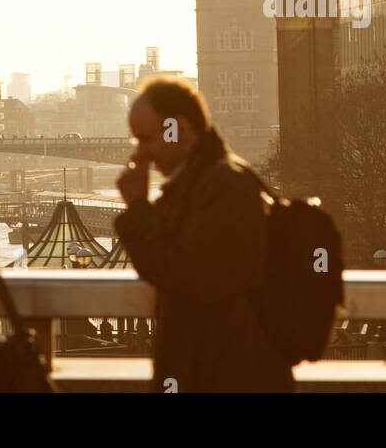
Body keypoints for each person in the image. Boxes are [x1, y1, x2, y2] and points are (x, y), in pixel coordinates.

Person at [114, 77, 292, 393]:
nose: (139, 153)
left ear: (178, 130)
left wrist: (139, 210)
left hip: (228, 376)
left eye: (145, 138)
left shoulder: (224, 187)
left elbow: (183, 275)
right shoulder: (202, 184)